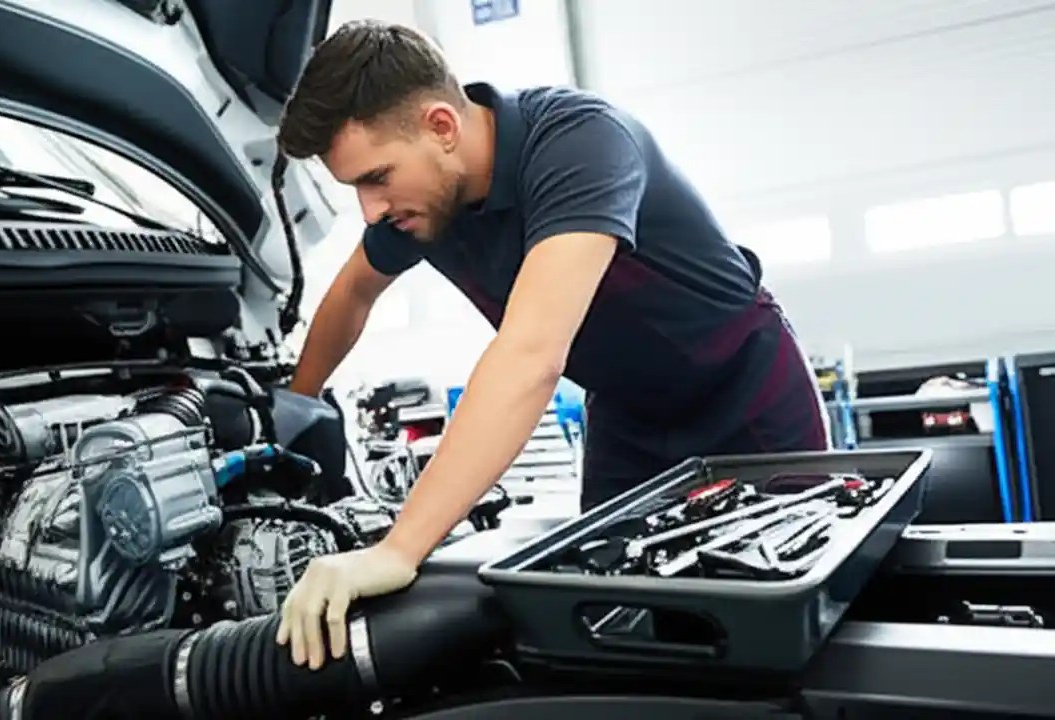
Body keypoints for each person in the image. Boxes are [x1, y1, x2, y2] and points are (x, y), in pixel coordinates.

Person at [273, 20, 830, 671]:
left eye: (377, 177)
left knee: (778, 624)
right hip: (629, 414)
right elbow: (350, 297)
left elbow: (532, 354)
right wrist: (294, 414)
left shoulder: (580, 144)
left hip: (745, 392)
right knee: (613, 622)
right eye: (356, 189)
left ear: (442, 127)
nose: (370, 211)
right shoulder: (419, 205)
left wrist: (398, 550)